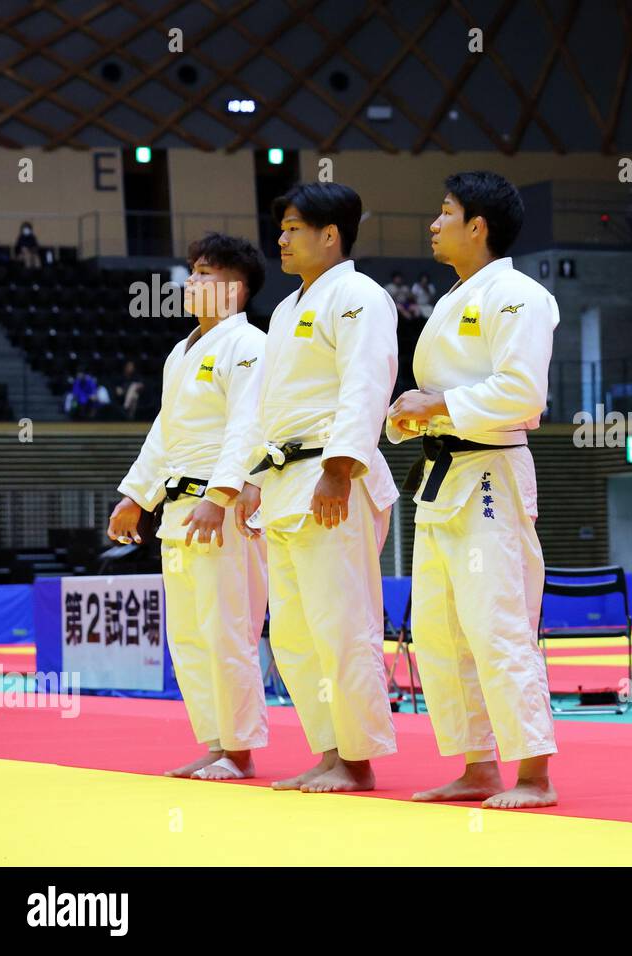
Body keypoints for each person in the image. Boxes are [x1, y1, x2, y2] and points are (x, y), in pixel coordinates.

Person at [387, 172, 560, 809]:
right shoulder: (454, 298)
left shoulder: (517, 295)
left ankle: (534, 771)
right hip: (442, 478)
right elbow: (444, 399)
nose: (434, 224)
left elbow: (523, 393)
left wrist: (438, 404)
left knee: (498, 622)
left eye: (445, 212)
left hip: (490, 474)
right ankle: (478, 764)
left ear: (477, 226)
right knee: (438, 629)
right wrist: (415, 416)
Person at [107, 233, 269, 781]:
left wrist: (220, 495)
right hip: (178, 508)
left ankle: (241, 750)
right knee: (189, 633)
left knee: (228, 628)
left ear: (236, 288)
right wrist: (137, 495)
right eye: (192, 272)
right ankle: (217, 741)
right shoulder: (182, 351)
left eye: (204, 273)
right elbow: (164, 433)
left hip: (218, 506)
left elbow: (248, 427)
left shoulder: (249, 344)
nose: (191, 282)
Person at [258, 183, 399, 794]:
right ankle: (329, 748)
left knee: (343, 624)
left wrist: (340, 468)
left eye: (293, 227)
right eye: (281, 228)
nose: (282, 239)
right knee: (292, 633)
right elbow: (271, 407)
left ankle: (358, 760)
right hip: (284, 483)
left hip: (331, 478)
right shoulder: (286, 309)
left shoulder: (359, 297)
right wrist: (246, 482)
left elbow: (365, 385)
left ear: (330, 235)